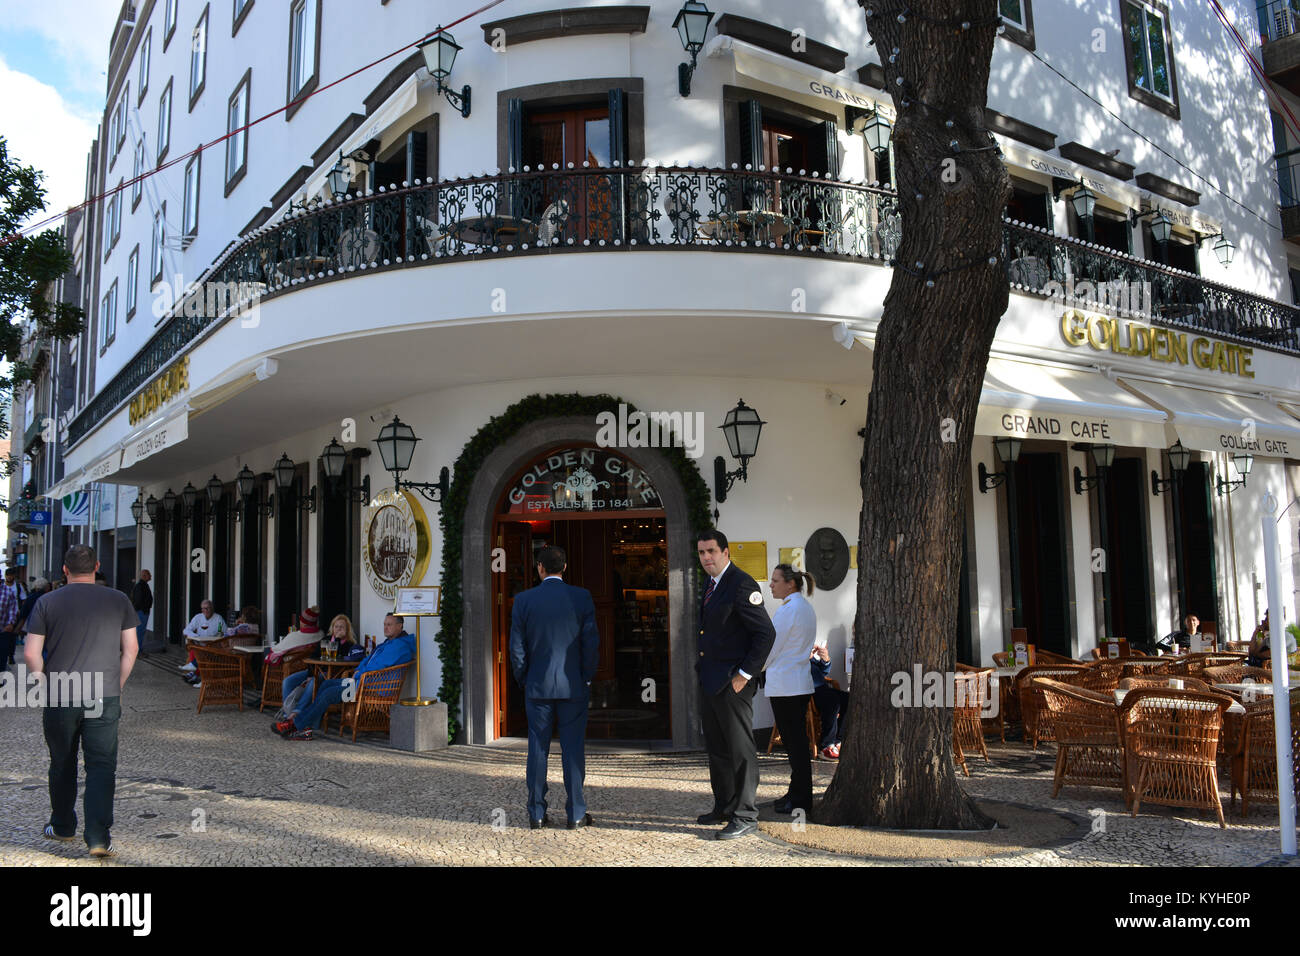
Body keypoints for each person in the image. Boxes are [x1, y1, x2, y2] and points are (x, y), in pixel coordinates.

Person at [23, 545, 138, 858]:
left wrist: (42, 682)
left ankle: (62, 826)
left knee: (62, 762)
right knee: (101, 765)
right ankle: (98, 837)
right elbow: (131, 649)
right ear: (97, 566)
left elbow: (31, 653)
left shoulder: (47, 601)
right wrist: (118, 683)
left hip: (61, 694)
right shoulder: (119, 600)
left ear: (64, 569)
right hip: (104, 694)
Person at [509, 545, 600, 831]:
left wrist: (524, 678)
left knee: (538, 749)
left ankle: (536, 812)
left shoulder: (524, 600)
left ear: (539, 568)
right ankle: (575, 813)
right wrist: (586, 677)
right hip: (573, 685)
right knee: (573, 749)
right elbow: (591, 643)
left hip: (537, 685)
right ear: (565, 567)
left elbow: (517, 648)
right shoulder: (581, 597)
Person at [695, 529, 776, 840]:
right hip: (710, 680)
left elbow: (765, 635)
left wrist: (744, 675)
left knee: (741, 750)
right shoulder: (710, 583)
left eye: (711, 552)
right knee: (717, 748)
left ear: (725, 552)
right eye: (702, 553)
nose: (706, 558)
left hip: (733, 683)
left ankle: (745, 815)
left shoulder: (742, 584)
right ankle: (725, 806)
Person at [272, 613, 414, 740]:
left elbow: (377, 666)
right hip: (360, 682)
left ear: (400, 626)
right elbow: (367, 661)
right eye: (384, 624)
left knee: (329, 693)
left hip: (371, 688)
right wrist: (359, 670)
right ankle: (307, 726)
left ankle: (296, 725)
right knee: (326, 684)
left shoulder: (399, 646)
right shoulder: (388, 643)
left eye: (389, 624)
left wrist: (361, 672)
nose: (385, 627)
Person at [763, 563, 817, 815]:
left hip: (786, 686)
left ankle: (800, 799)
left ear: (790, 583)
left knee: (795, 745)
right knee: (796, 743)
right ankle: (796, 793)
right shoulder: (803, 607)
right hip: (797, 683)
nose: (771, 585)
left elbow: (771, 647)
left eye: (775, 580)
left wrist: (754, 668)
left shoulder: (789, 610)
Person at [276, 612, 352, 715]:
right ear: (332, 628)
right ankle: (287, 713)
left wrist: (337, 639)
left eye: (341, 627)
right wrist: (310, 675)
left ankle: (297, 713)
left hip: (331, 674)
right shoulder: (325, 640)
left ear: (347, 629)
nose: (338, 629)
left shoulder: (349, 645)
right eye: (336, 626)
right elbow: (313, 657)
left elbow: (337, 657)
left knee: (313, 682)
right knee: (288, 681)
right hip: (315, 671)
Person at [810, 644, 848, 759]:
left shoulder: (809, 656)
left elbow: (824, 672)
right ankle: (826, 745)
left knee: (848, 698)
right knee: (832, 700)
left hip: (822, 688)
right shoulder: (794, 653)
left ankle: (838, 740)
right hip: (808, 690)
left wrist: (826, 659)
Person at [0, 570, 18, 666]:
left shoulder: (8, 592)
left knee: (2, 656)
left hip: (3, 629)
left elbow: (12, 609)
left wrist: (11, 623)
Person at [130, 570, 153, 637]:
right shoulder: (140, 586)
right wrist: (143, 610)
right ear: (144, 576)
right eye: (149, 574)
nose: (150, 576)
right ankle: (138, 647)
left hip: (142, 611)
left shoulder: (143, 585)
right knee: (140, 631)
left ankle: (139, 646)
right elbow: (138, 600)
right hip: (141, 612)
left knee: (141, 631)